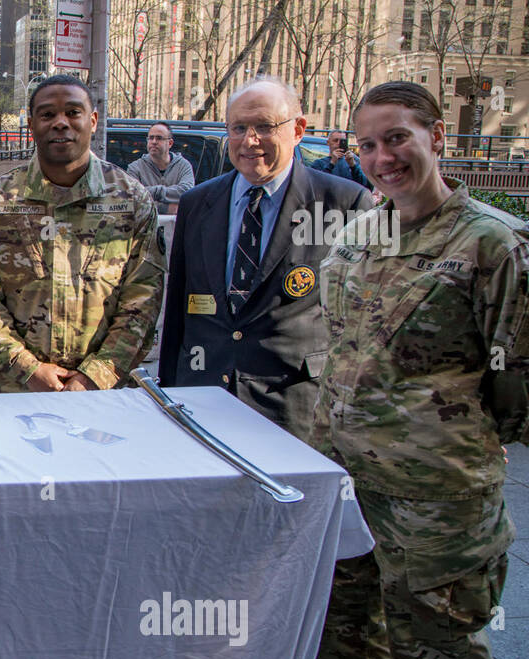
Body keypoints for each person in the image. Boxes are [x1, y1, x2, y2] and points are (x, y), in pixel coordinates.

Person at [302, 82, 529, 659]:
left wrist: (456, 438)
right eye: (369, 144)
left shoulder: (494, 244)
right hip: (348, 492)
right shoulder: (358, 235)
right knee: (345, 646)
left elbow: (524, 378)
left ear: (436, 135)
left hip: (437, 508)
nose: (383, 157)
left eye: (398, 138)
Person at [159, 76, 374, 442]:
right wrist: (169, 390)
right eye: (239, 128)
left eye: (264, 126)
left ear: (298, 129)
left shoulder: (344, 204)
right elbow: (179, 306)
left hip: (294, 409)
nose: (249, 140)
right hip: (202, 403)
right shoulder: (198, 202)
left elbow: (365, 325)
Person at [0, 74, 164, 392]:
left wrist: (94, 376)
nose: (60, 123)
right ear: (31, 124)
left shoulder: (131, 200)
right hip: (14, 390)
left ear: (93, 120)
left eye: (72, 112)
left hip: (103, 395)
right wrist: (28, 369)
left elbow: (143, 300)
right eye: (47, 114)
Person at [123, 121, 195, 215]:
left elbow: (187, 193)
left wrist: (149, 193)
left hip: (176, 227)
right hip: (144, 227)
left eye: (159, 138)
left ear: (170, 143)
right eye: (151, 138)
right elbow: (132, 198)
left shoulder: (183, 166)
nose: (154, 142)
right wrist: (165, 208)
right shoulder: (135, 168)